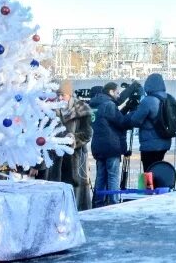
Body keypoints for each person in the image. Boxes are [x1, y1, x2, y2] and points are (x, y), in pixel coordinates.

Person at [89, 84, 132, 206]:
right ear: (111, 92)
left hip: (98, 146)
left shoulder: (94, 105)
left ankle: (97, 202)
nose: (118, 95)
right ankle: (114, 203)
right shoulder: (109, 104)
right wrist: (131, 113)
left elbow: (109, 120)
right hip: (111, 146)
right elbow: (121, 122)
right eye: (117, 92)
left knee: (100, 176)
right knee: (113, 176)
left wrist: (124, 109)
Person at [57, 80, 93, 210]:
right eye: (58, 95)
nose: (60, 98)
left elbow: (87, 133)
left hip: (75, 157)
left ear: (70, 95)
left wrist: (73, 139)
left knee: (76, 188)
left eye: (63, 95)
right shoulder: (53, 109)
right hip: (57, 158)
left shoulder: (81, 109)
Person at [128, 74, 173, 172]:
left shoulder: (148, 101)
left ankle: (150, 188)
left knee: (148, 173)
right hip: (165, 142)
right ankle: (160, 186)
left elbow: (135, 121)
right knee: (157, 170)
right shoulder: (169, 98)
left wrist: (132, 112)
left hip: (150, 144)